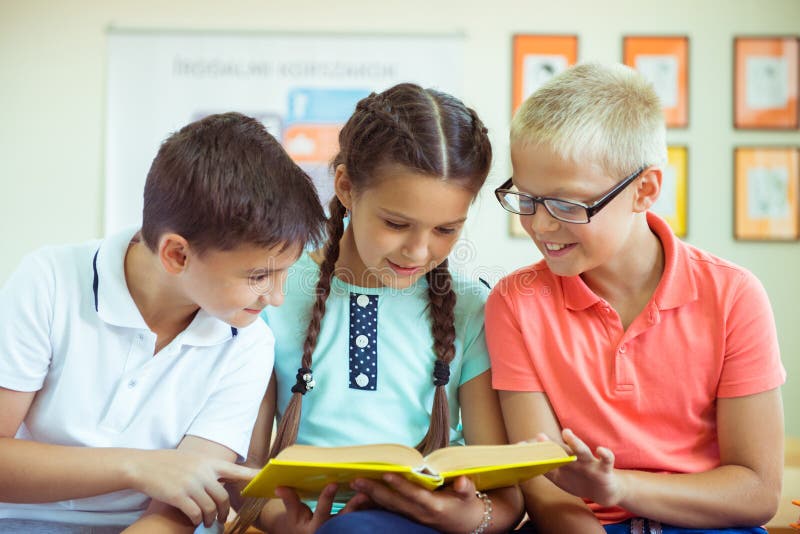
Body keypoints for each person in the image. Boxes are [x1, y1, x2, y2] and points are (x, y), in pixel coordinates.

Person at [485, 62, 786, 534]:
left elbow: (756, 492)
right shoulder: (515, 302)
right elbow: (544, 487)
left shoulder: (734, 296)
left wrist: (619, 488)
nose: (540, 226)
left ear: (644, 190)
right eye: (527, 199)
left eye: (567, 204)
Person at [0, 112, 326, 533]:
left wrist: (163, 474)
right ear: (177, 254)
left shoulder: (248, 341)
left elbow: (171, 514)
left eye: (285, 273)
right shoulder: (49, 282)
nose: (276, 297)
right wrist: (137, 467)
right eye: (259, 277)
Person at [229, 83, 524, 534]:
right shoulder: (272, 291)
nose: (418, 251)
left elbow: (505, 498)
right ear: (346, 187)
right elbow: (242, 471)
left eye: (446, 230)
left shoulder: (470, 306)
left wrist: (466, 516)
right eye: (395, 223)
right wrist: (284, 521)